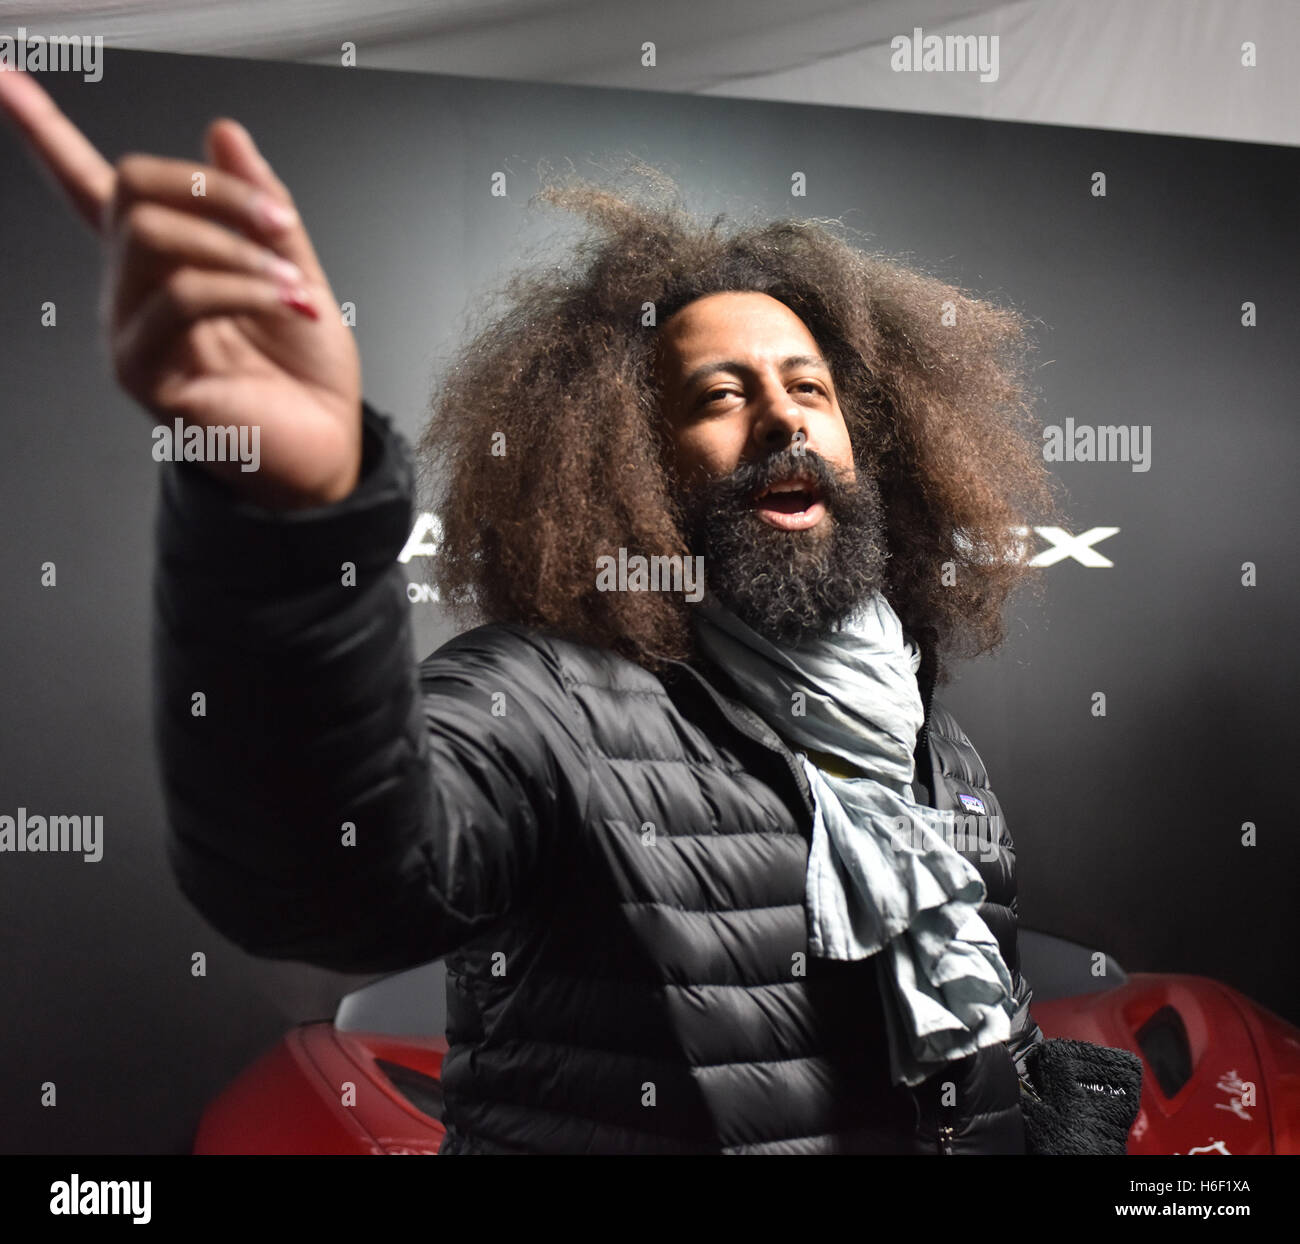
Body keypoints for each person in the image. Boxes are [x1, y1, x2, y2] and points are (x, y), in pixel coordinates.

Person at [1, 68, 1141, 1154]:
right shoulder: (541, 699)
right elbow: (329, 883)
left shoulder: (932, 744)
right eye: (720, 395)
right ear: (629, 461)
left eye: (809, 389)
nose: (783, 422)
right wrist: (292, 513)